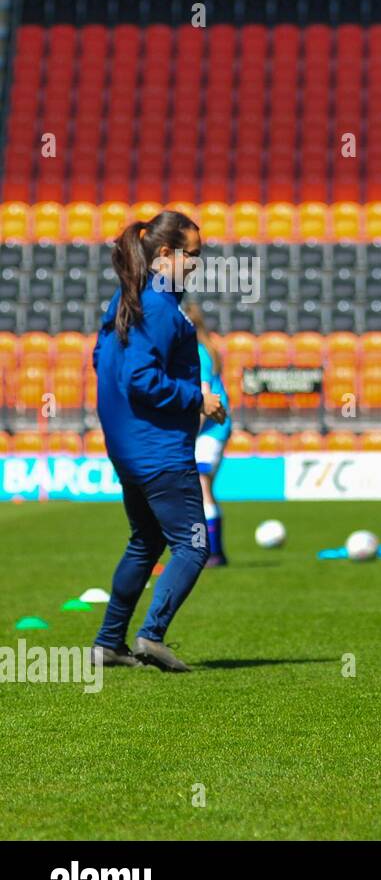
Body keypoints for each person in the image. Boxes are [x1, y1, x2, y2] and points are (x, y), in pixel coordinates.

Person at [91, 211, 225, 672]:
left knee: (145, 542)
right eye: (194, 255)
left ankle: (109, 643)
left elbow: (101, 363)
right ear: (165, 254)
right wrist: (198, 399)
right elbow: (141, 379)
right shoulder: (161, 310)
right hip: (160, 451)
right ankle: (151, 636)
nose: (198, 265)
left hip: (129, 448)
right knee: (192, 546)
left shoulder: (123, 302)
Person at [185, 302, 231, 567]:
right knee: (205, 489)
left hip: (209, 429)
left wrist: (189, 434)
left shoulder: (198, 353)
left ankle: (211, 552)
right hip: (215, 428)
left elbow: (204, 399)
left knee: (202, 488)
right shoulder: (205, 350)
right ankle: (213, 551)